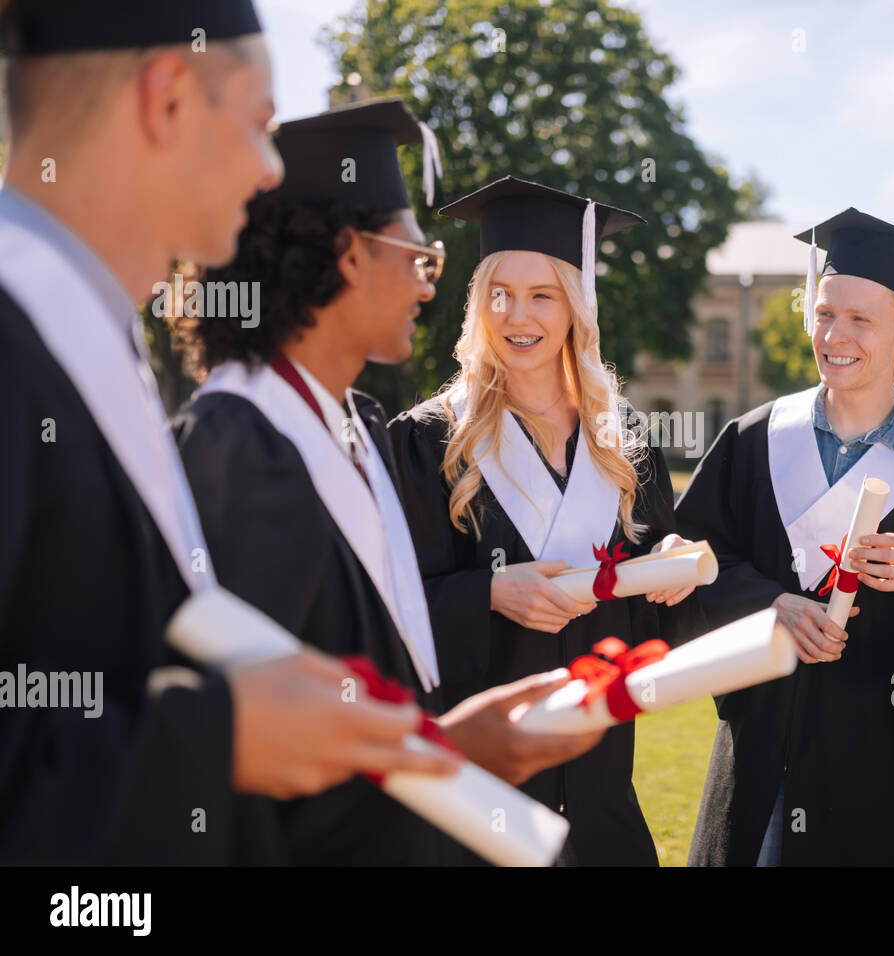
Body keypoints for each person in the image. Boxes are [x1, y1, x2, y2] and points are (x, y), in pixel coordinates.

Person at [0, 0, 455, 865]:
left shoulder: (92, 352)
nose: (268, 171)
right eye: (258, 125)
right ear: (167, 99)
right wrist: (221, 737)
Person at [171, 103, 606, 863]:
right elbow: (243, 759)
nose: (428, 286)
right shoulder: (234, 447)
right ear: (348, 255)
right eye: (418, 256)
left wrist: (452, 742)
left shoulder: (359, 428)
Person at [677, 208, 894, 865]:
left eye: (862, 319)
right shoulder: (754, 441)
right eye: (825, 313)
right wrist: (772, 603)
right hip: (767, 750)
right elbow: (693, 562)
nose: (835, 335)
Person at [388, 176, 706, 865]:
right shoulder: (428, 442)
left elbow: (659, 631)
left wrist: (670, 571)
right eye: (499, 294)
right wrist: (488, 593)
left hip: (601, 797)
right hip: (479, 804)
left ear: (576, 308)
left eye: (542, 294)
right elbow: (386, 611)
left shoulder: (624, 444)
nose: (517, 315)